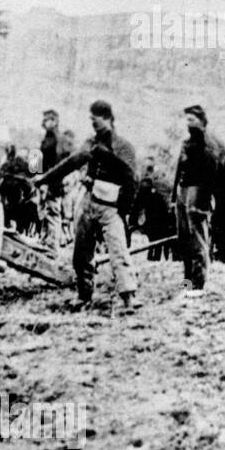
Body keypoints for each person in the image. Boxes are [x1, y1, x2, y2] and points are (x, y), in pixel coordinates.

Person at [34, 100, 139, 311]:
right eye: (90, 119)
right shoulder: (90, 143)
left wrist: (123, 209)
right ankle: (84, 295)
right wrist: (44, 179)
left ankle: (129, 298)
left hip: (111, 206)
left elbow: (132, 179)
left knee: (118, 251)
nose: (92, 123)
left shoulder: (124, 147)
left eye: (95, 119)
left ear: (107, 118)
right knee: (81, 252)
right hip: (89, 201)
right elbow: (71, 163)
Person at [172, 104, 221, 291]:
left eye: (192, 120)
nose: (188, 123)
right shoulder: (186, 143)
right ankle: (187, 282)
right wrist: (173, 196)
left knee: (198, 240)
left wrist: (204, 199)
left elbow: (212, 174)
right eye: (187, 120)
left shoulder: (208, 144)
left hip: (198, 192)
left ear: (202, 121)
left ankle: (199, 284)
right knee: (183, 240)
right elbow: (179, 170)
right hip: (183, 192)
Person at [39, 108, 65, 258]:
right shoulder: (48, 138)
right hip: (46, 181)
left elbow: (56, 165)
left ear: (54, 121)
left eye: (48, 119)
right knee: (45, 213)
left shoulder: (56, 140)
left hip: (53, 183)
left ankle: (52, 247)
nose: (45, 122)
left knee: (53, 213)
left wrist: (46, 181)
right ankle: (45, 242)